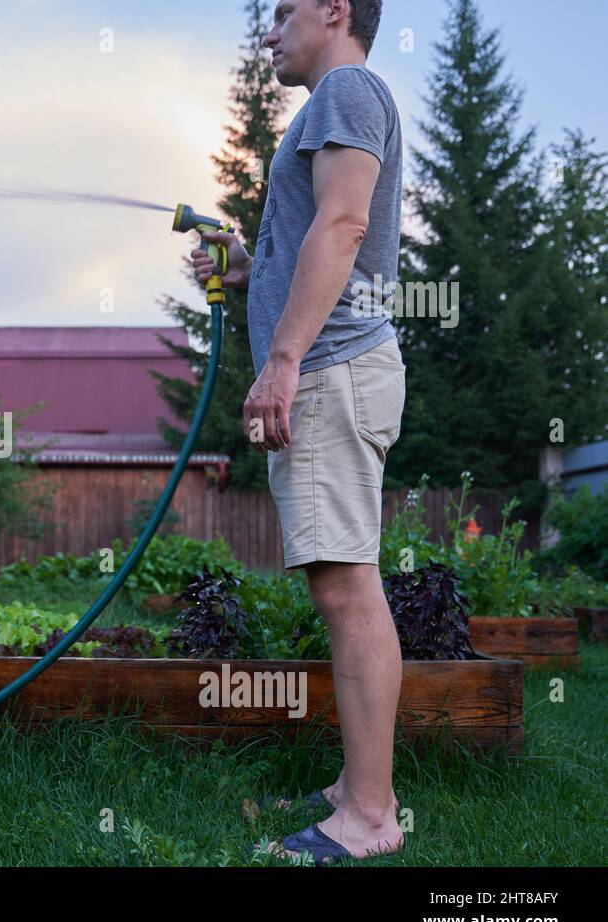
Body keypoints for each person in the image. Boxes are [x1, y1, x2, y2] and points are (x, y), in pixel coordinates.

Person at [191, 0, 405, 865]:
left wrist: (282, 362)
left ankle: (369, 817)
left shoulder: (348, 88)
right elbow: (320, 230)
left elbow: (346, 225)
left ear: (335, 10)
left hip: (332, 370)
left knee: (347, 588)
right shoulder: (331, 106)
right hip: (337, 366)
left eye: (283, 10)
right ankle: (356, 791)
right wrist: (249, 267)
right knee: (343, 582)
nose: (270, 29)